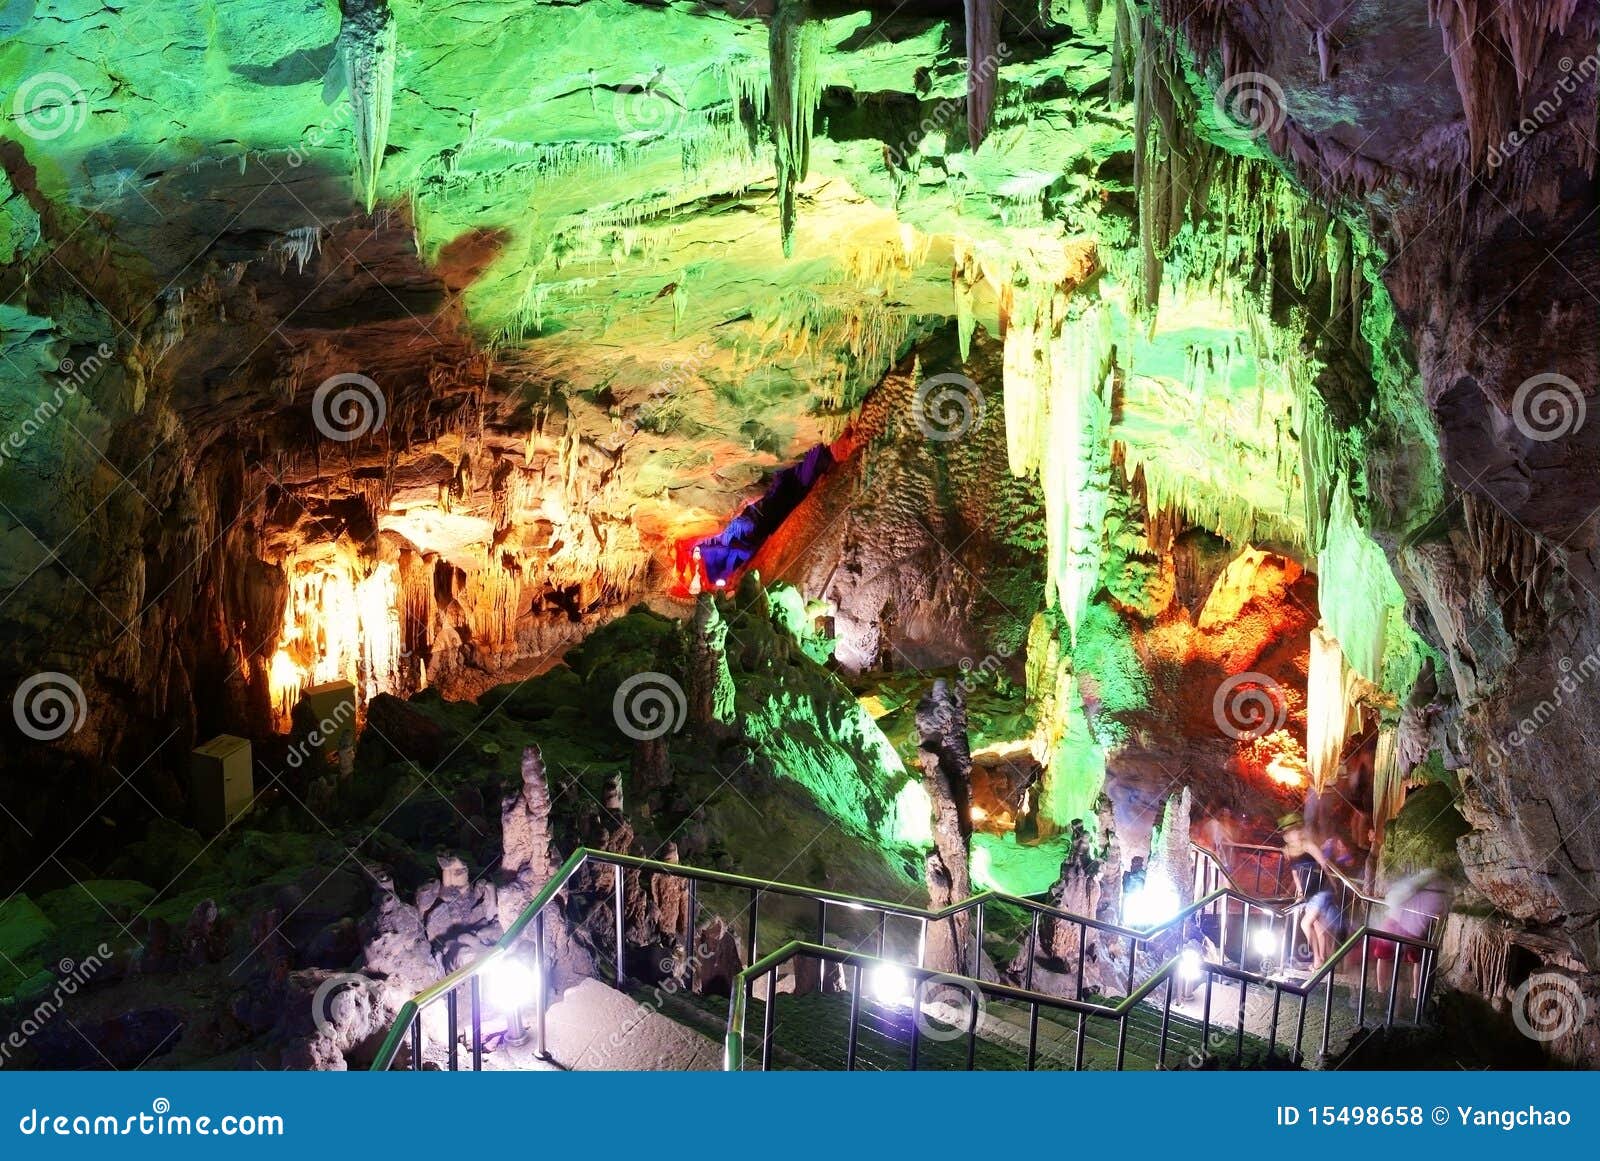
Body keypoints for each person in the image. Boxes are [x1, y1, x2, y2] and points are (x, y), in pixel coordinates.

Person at [1368, 869, 1453, 1001]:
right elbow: (1443, 912)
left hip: (1394, 924)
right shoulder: (1443, 894)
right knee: (1417, 961)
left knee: (1383, 956)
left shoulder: (1416, 884)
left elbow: (1393, 897)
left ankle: (1381, 991)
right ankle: (1415, 995)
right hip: (1415, 932)